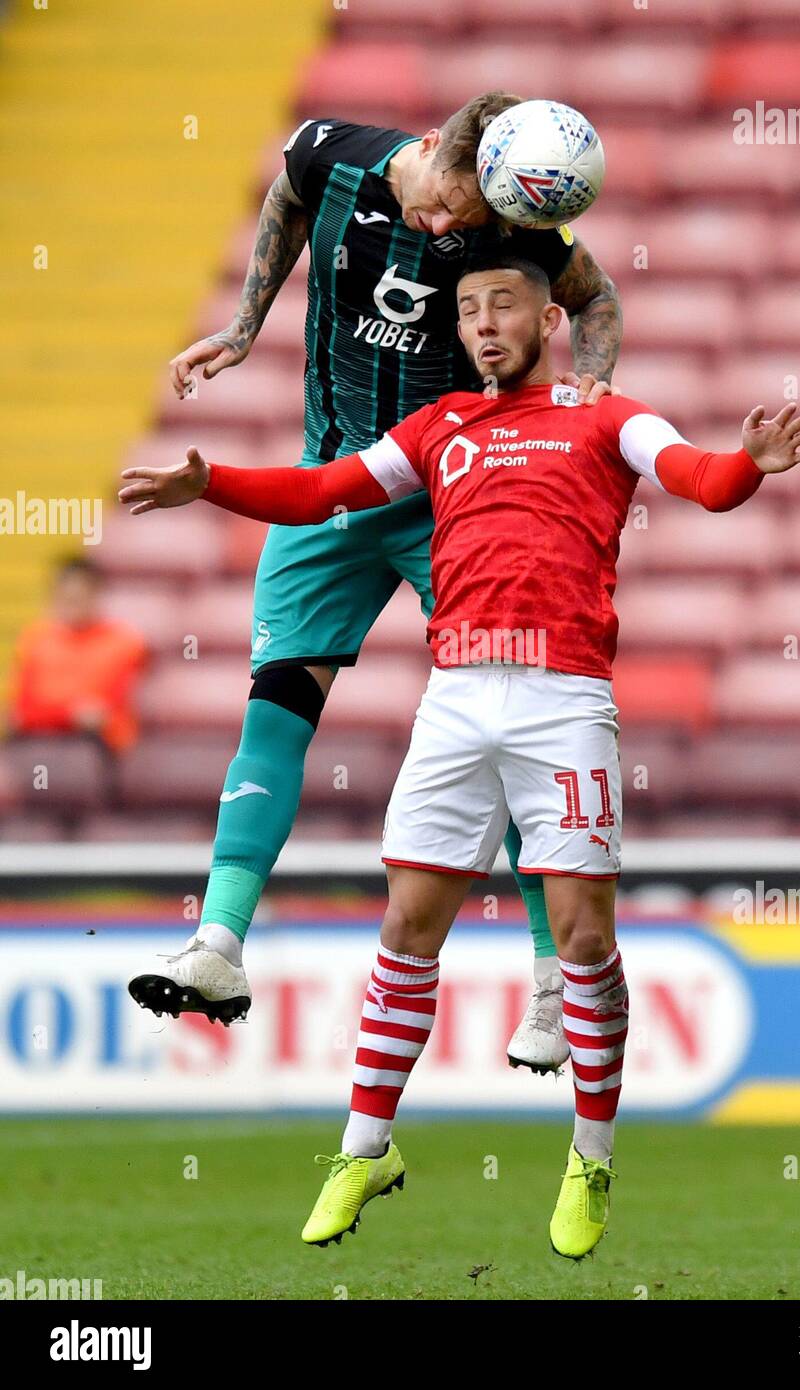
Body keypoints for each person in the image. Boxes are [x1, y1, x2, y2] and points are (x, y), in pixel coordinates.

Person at [121, 254, 800, 1258]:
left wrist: (750, 460)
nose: (484, 324)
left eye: (503, 306)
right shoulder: (441, 426)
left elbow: (700, 481)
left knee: (582, 939)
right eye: (467, 310)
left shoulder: (607, 414)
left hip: (563, 700)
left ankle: (590, 1158)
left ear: (549, 316)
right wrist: (212, 483)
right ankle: (365, 1148)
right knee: (408, 925)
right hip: (455, 698)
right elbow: (324, 491)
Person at [151, 92, 622, 1072]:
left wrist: (592, 385)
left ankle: (547, 985)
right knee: (274, 711)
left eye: (467, 219)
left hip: (452, 499)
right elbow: (283, 199)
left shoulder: (513, 221)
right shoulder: (334, 158)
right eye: (446, 204)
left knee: (508, 724)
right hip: (334, 484)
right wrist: (244, 328)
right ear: (433, 154)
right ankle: (220, 947)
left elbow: (597, 301)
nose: (449, 229)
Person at [8, 557, 147, 754]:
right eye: (65, 597)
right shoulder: (35, 640)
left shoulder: (123, 643)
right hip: (38, 741)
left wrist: (55, 713)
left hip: (97, 748)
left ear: (96, 595)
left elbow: (105, 713)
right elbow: (22, 710)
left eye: (79, 597)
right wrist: (69, 714)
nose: (72, 605)